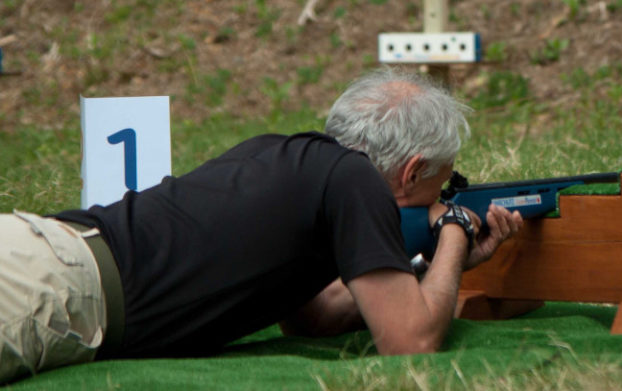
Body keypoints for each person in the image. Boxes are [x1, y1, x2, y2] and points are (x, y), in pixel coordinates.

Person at [0, 67, 523, 383]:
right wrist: (454, 229)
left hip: (46, 257)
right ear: (412, 172)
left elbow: (311, 318)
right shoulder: (356, 181)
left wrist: (428, 261)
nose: (443, 199)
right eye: (444, 185)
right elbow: (409, 345)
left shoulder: (283, 156)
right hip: (53, 289)